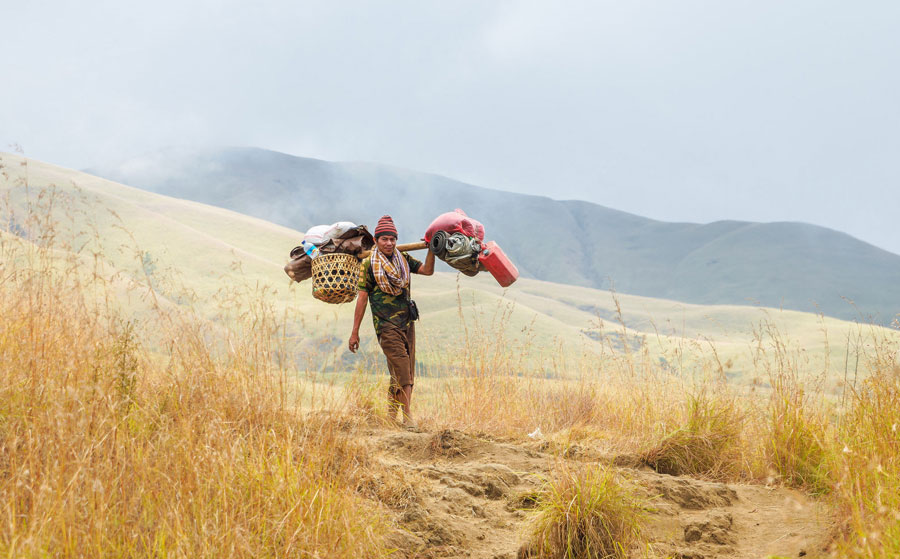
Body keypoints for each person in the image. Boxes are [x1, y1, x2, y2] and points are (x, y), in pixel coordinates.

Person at [348, 215, 434, 428]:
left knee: (401, 372)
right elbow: (362, 298)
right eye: (384, 239)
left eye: (392, 239)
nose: (389, 243)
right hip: (385, 326)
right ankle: (407, 419)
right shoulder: (369, 264)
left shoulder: (403, 259)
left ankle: (389, 419)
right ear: (376, 241)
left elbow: (427, 270)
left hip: (407, 323)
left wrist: (433, 249)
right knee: (403, 369)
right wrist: (354, 332)